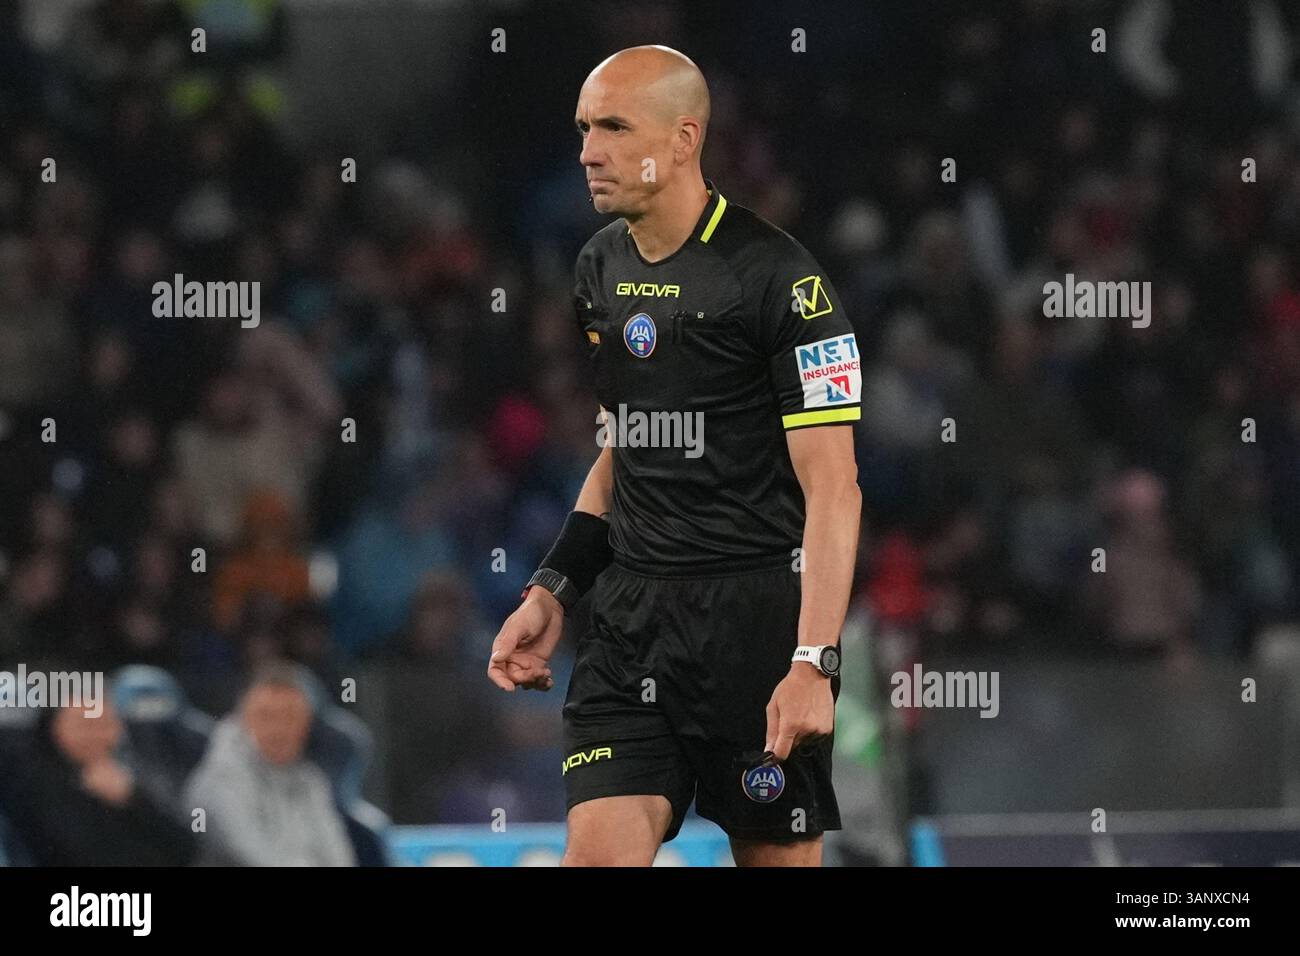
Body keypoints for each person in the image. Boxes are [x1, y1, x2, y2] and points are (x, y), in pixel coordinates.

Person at [488, 46, 862, 866]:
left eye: (616, 127)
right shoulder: (598, 268)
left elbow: (836, 489)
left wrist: (814, 663)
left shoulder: (784, 283)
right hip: (630, 629)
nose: (590, 150)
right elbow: (624, 447)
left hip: (757, 631)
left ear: (684, 138)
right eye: (586, 128)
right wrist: (555, 588)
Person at [185, 663, 356, 866]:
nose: (279, 729)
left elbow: (338, 855)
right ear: (244, 719)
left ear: (307, 724)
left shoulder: (311, 780)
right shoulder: (219, 778)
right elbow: (250, 852)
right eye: (267, 716)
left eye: (290, 717)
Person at [4, 701, 196, 866]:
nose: (96, 735)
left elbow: (185, 849)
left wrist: (133, 800)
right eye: (84, 725)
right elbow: (87, 855)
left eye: (105, 725)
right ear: (54, 728)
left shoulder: (135, 770)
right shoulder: (32, 781)